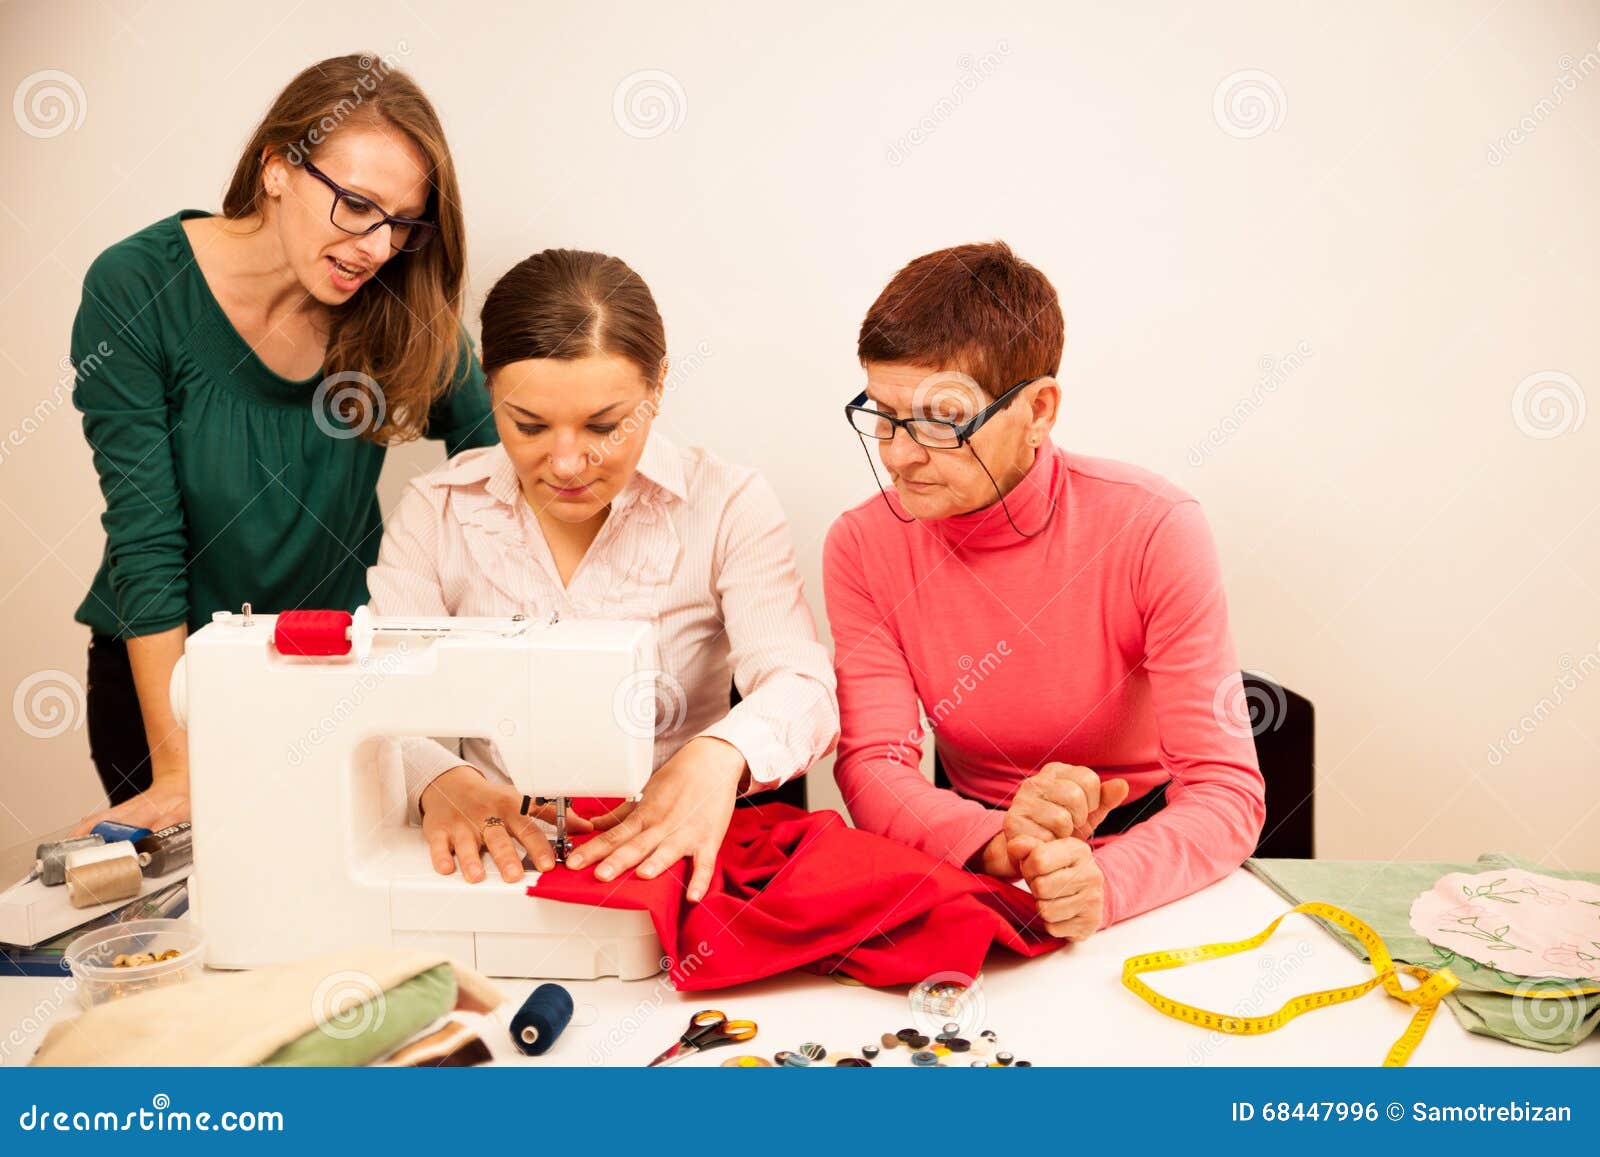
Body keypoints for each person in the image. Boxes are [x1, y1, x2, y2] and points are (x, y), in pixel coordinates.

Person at [68, 55, 497, 838]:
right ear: (276, 167)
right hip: (170, 683)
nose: (376, 246)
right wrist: (178, 764)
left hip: (332, 680)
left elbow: (499, 464)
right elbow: (146, 537)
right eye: (358, 205)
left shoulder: (398, 306)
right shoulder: (136, 287)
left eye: (403, 223)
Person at [825, 241, 1265, 940]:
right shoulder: (861, 545)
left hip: (1147, 855)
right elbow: (873, 764)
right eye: (882, 413)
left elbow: (1226, 790)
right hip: (975, 849)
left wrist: (1107, 881)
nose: (899, 453)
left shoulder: (1155, 526)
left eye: (940, 420)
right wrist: (1000, 843)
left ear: (1038, 409)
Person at [367, 248, 838, 902]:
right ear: (489, 390)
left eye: (605, 426)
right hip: (497, 859)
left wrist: (717, 756)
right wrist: (439, 779)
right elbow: (380, 698)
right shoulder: (437, 510)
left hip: (667, 858)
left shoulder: (726, 504)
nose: (565, 463)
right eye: (527, 424)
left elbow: (802, 684)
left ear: (658, 387)